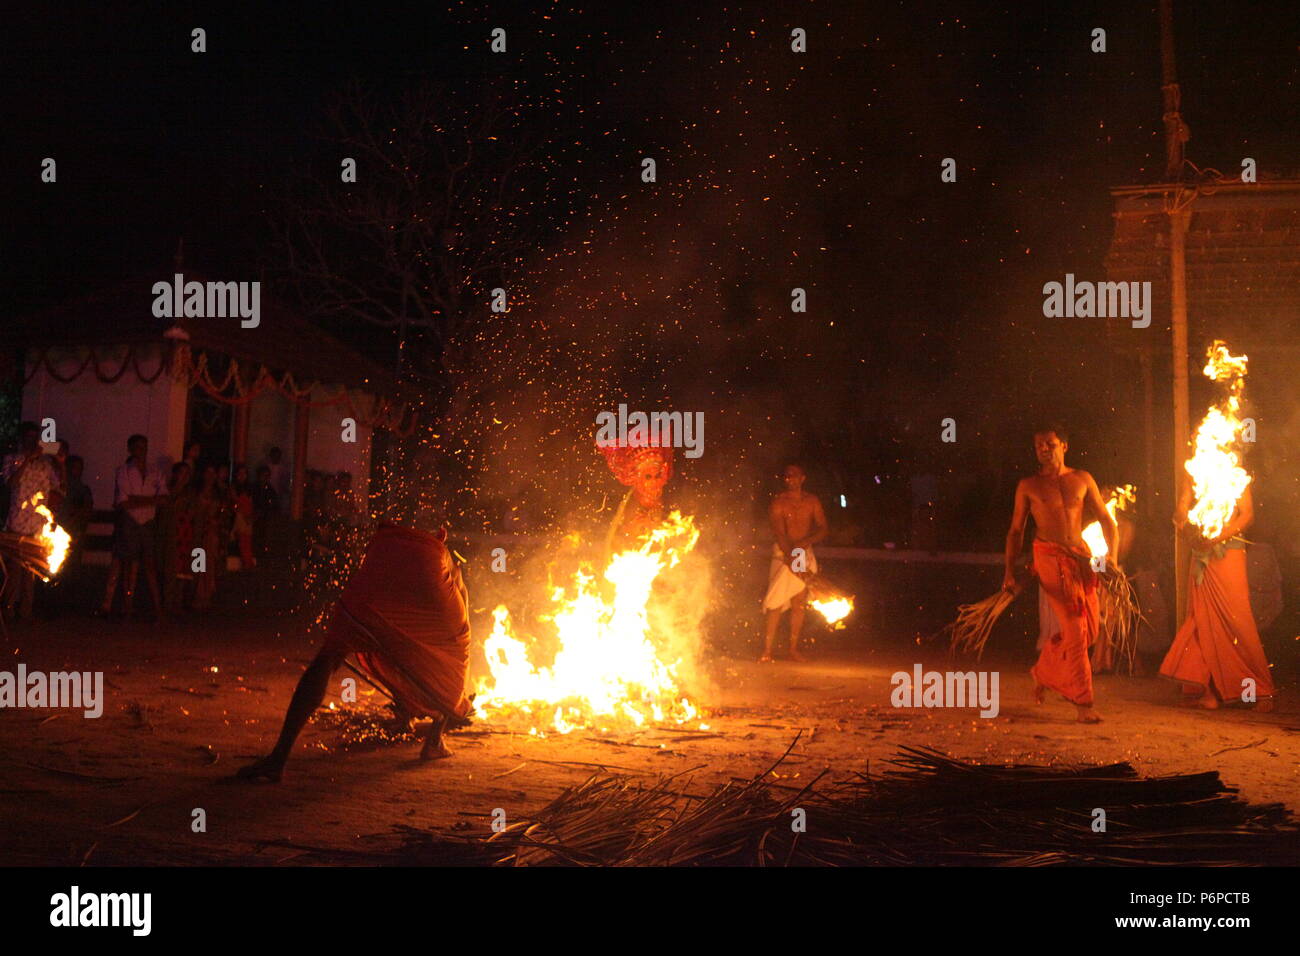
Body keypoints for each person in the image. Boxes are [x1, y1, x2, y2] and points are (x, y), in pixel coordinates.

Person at [237, 525, 474, 782]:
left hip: (377, 566)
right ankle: (434, 741)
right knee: (450, 651)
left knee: (328, 658)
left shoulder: (392, 535)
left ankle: (278, 759)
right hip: (427, 574)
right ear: (441, 534)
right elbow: (459, 595)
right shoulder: (440, 551)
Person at [1004, 425, 1116, 723]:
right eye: (1038, 445)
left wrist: (1111, 557)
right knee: (1077, 629)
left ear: (1064, 446)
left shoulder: (1082, 479)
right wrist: (1008, 573)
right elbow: (1016, 531)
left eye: (1050, 443)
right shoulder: (1028, 486)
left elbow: (1107, 519)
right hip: (1050, 558)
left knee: (1089, 631)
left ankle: (1043, 671)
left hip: (1080, 556)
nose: (1043, 449)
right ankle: (1084, 703)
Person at [1160, 483, 1274, 711]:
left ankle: (1258, 692)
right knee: (1202, 617)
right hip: (1202, 553)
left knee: (1236, 620)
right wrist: (1184, 523)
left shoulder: (1234, 474)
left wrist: (1218, 536)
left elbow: (1247, 515)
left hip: (1228, 553)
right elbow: (1181, 508)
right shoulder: (1195, 471)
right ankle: (1207, 692)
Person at [761, 463, 828, 662]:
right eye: (787, 476)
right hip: (784, 553)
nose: (790, 479)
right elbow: (779, 532)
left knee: (799, 602)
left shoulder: (812, 501)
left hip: (803, 551)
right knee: (776, 601)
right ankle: (767, 651)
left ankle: (793, 649)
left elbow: (823, 528)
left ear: (802, 478)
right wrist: (791, 555)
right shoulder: (778, 503)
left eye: (794, 476)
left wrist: (804, 544)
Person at [97, 434, 168, 621]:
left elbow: (164, 498)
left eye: (143, 446)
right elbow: (123, 502)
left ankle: (157, 608)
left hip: (147, 522)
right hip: (130, 521)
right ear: (130, 449)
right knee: (128, 565)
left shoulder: (155, 471)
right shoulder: (124, 471)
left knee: (149, 565)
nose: (141, 450)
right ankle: (127, 608)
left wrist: (139, 500)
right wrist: (152, 500)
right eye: (137, 447)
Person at [2, 422, 62, 621]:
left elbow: (58, 486)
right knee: (15, 572)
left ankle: (26, 612)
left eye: (35, 437)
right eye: (28, 437)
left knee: (32, 572)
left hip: (37, 525)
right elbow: (10, 483)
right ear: (22, 439)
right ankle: (8, 610)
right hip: (18, 522)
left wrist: (59, 461)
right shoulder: (12, 459)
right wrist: (27, 460)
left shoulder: (46, 464)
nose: (31, 441)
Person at [598, 440, 674, 557]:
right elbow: (627, 547)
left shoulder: (672, 500)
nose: (654, 482)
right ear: (637, 479)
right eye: (648, 477)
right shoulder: (631, 509)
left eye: (657, 475)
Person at [57, 454, 95, 570]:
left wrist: (76, 518)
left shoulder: (83, 489)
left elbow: (86, 509)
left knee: (73, 562)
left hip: (75, 530)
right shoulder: (60, 486)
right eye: (75, 467)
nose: (78, 471)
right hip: (60, 528)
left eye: (80, 468)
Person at [230, 464, 256, 570]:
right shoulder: (233, 488)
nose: (242, 476)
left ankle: (247, 561)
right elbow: (235, 503)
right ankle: (247, 561)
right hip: (239, 517)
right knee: (243, 538)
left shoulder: (249, 489)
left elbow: (251, 504)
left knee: (246, 540)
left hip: (247, 517)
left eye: (244, 473)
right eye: (240, 473)